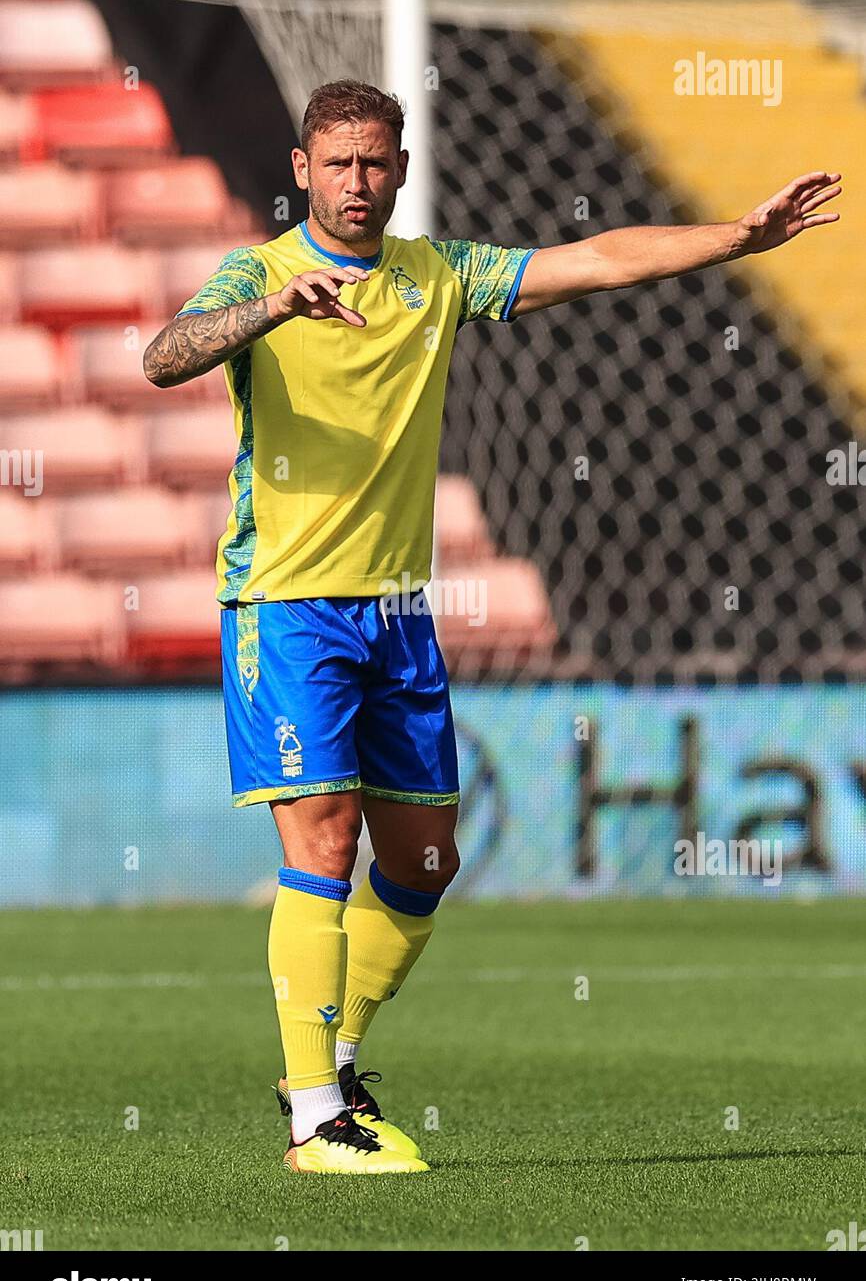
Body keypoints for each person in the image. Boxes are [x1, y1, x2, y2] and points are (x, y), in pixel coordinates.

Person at [143, 79, 841, 1174]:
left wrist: (735, 239)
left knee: (421, 862)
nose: (357, 183)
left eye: (375, 163)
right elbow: (165, 354)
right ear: (300, 170)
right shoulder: (261, 274)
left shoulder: (437, 276)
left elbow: (598, 258)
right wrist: (273, 310)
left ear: (401, 170)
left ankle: (324, 1059)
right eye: (338, 164)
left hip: (397, 616)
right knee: (324, 836)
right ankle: (315, 1119)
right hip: (285, 606)